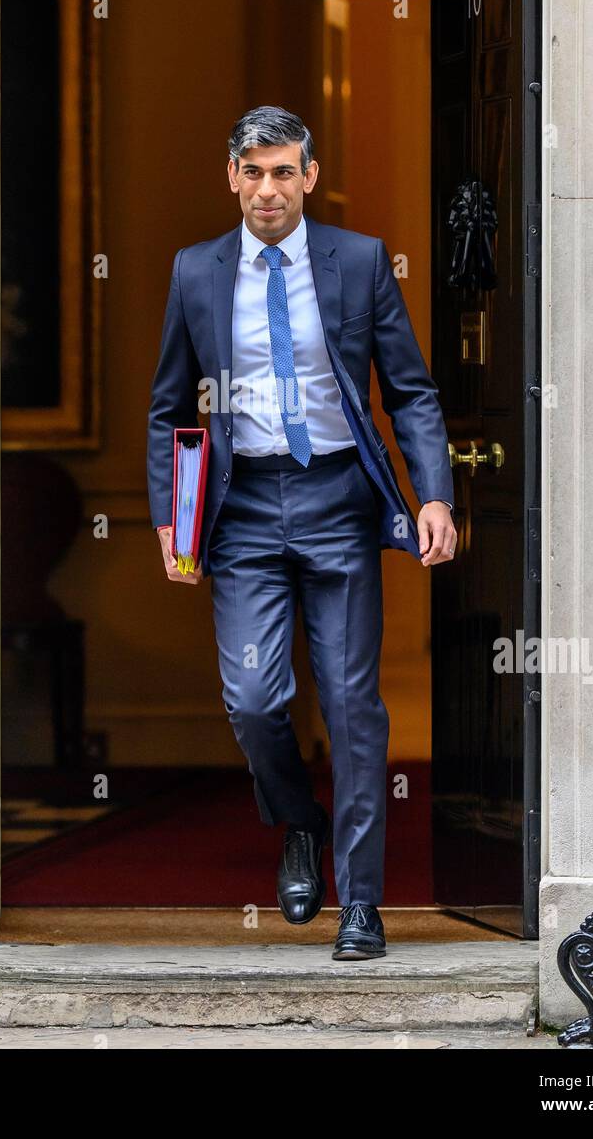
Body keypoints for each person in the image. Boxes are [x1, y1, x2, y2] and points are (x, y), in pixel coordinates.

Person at [147, 105, 456, 959]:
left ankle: (360, 903)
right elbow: (170, 409)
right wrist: (177, 526)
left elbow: (411, 389)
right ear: (232, 177)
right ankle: (298, 820)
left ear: (309, 178)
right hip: (241, 509)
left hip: (337, 504)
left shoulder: (357, 262)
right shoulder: (196, 271)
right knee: (252, 701)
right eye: (254, 171)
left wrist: (434, 495)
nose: (269, 188)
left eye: (285, 171)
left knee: (355, 706)